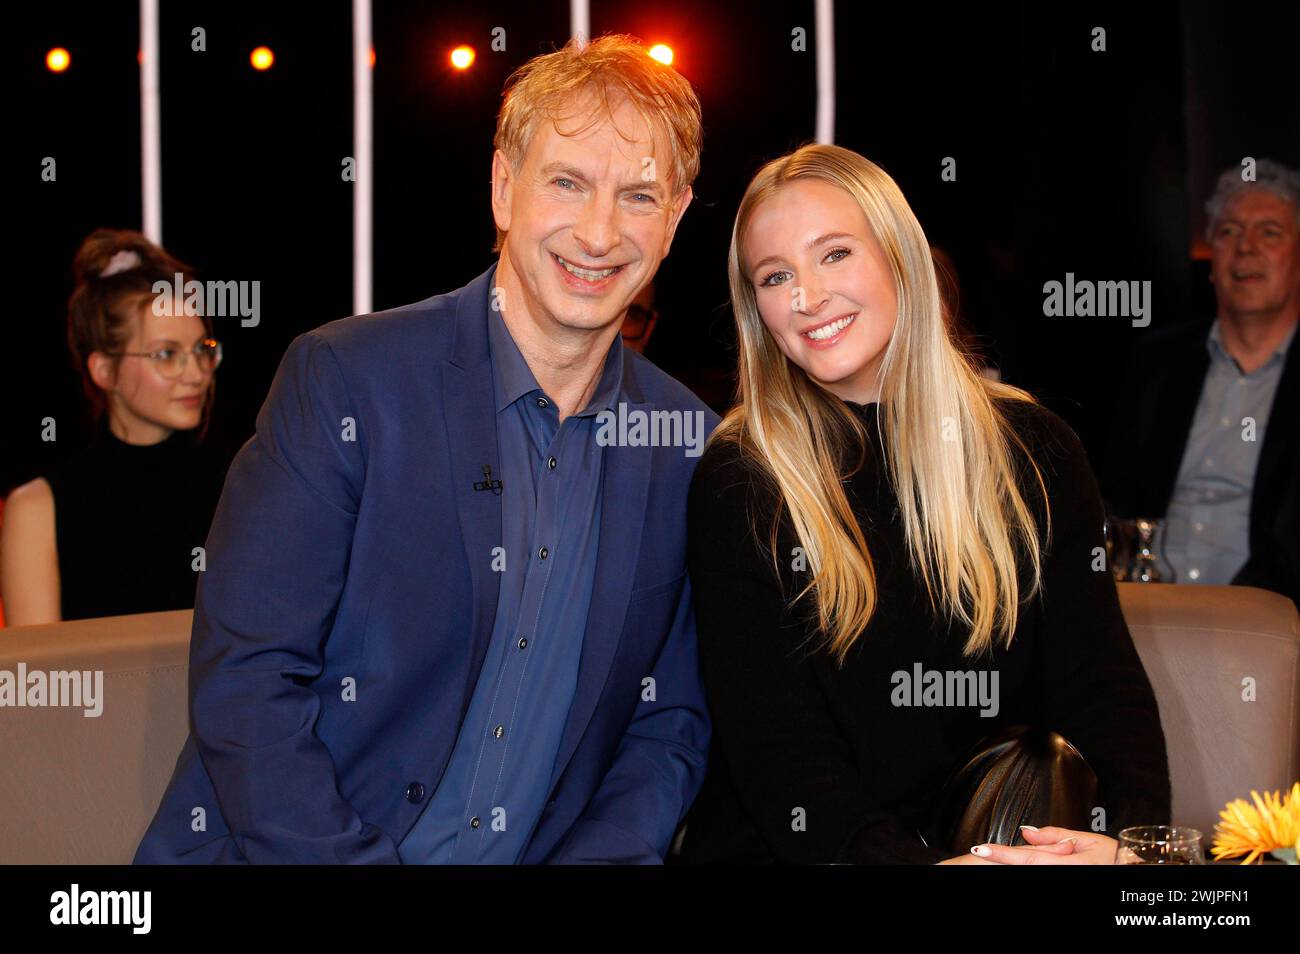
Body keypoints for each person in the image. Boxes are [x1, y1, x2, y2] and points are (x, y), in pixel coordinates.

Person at [135, 34, 716, 865]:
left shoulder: (689, 445)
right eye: (567, 182)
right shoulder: (345, 380)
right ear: (503, 188)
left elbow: (670, 728)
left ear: (676, 219)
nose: (599, 232)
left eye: (638, 196)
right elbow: (250, 682)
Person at [680, 143, 1170, 865]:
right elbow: (781, 759)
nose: (807, 297)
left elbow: (1101, 686)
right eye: (775, 275)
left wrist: (1130, 849)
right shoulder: (741, 477)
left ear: (900, 258)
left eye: (835, 254)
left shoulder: (1034, 447)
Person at [0, 229, 227, 625]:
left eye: (202, 350)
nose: (196, 374)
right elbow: (39, 676)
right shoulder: (38, 509)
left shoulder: (244, 484)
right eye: (166, 354)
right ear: (105, 369)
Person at [1104, 160, 1299, 603]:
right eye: (1228, 232)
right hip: (1149, 608)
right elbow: (1115, 496)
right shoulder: (1158, 363)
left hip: (1270, 616)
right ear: (1210, 260)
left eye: (1269, 232)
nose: (1245, 248)